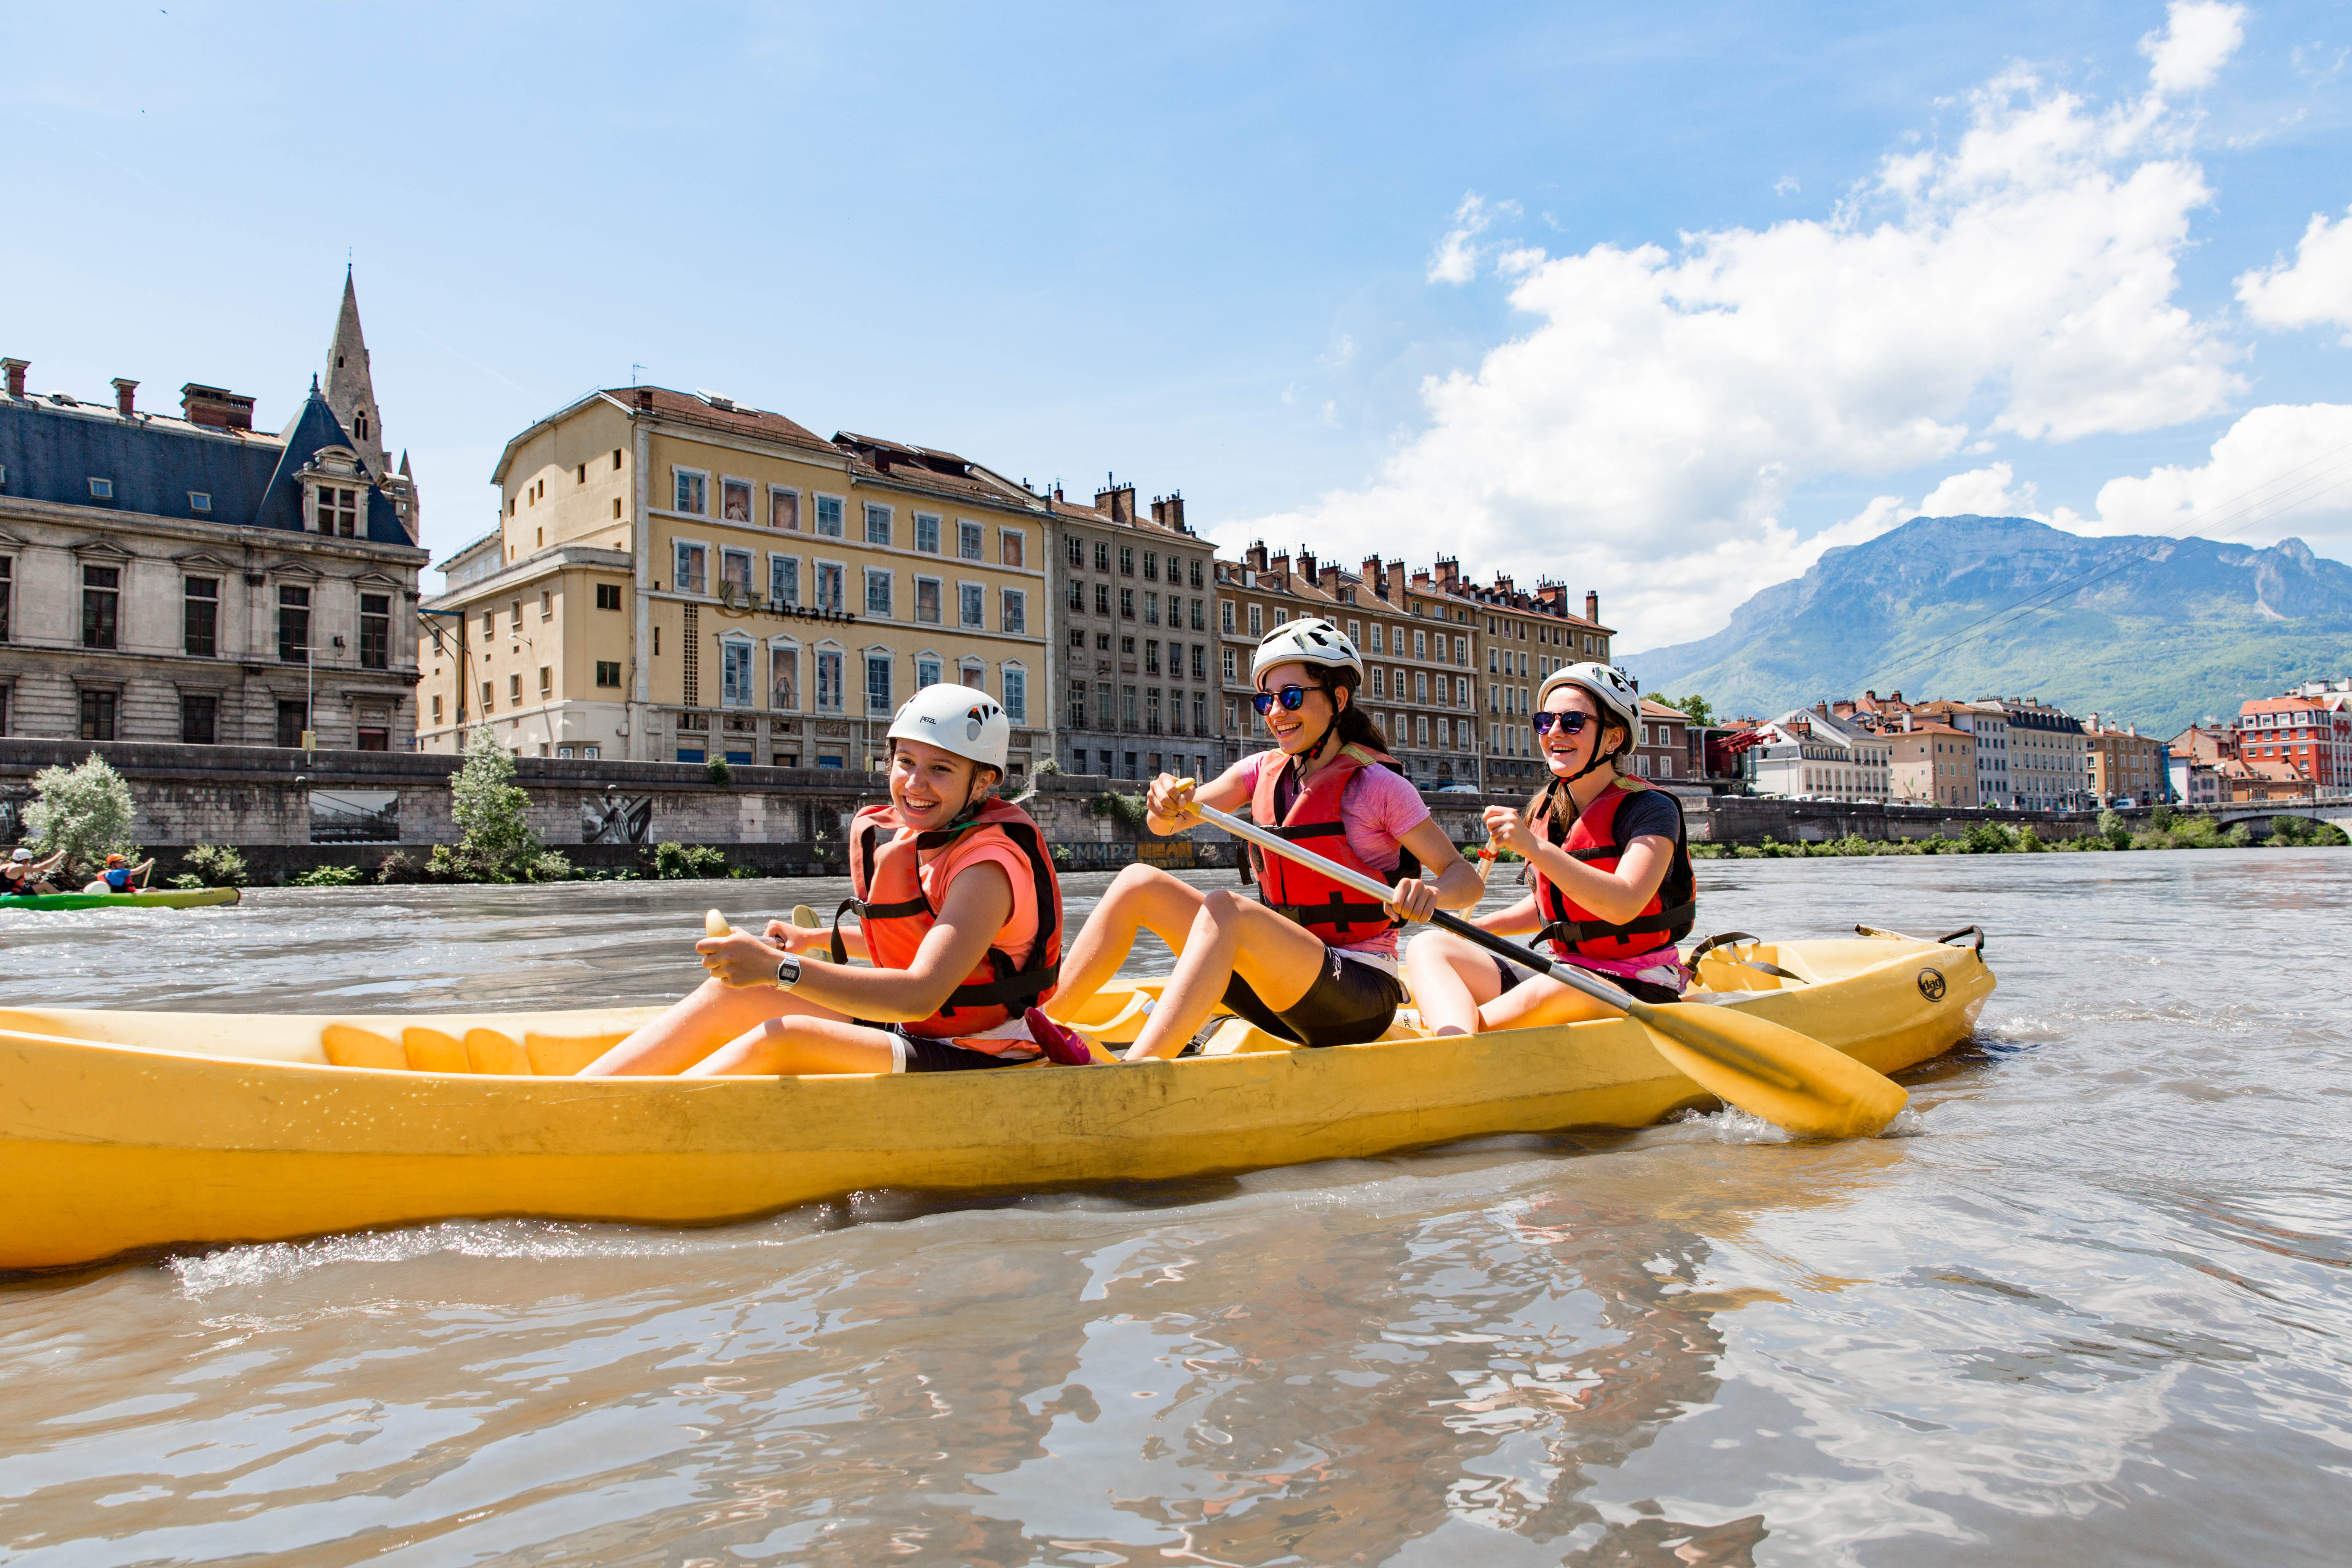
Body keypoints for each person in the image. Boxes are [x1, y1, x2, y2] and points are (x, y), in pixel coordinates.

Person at [579, 683, 1072, 1077]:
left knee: (786, 1034)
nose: (915, 784)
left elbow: (923, 991)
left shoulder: (986, 867)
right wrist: (810, 940)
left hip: (983, 1054)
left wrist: (779, 969)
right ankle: (586, 1097)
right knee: (736, 993)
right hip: (920, 1030)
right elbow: (924, 942)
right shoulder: (929, 836)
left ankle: (624, 1124)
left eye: (940, 769)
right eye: (905, 762)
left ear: (983, 782)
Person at [1048, 617, 1484, 1058]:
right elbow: (1167, 824)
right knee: (1138, 882)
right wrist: (1164, 803)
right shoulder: (1260, 771)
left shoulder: (1378, 786)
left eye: (1291, 696)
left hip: (1358, 995)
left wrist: (1428, 893)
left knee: (1227, 909)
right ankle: (1036, 1029)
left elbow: (1466, 879)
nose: (1276, 712)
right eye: (1266, 700)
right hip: (1281, 991)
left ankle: (1139, 1072)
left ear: (1338, 698)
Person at [1405, 663, 1696, 1035]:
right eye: (1545, 721)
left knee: (1563, 984)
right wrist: (1474, 929)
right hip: (1565, 972)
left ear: (1613, 739)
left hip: (1636, 985)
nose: (1554, 732)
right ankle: (1454, 1038)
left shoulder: (1652, 809)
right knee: (1430, 945)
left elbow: (1624, 904)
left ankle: (1450, 1042)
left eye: (1573, 721)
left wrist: (1535, 847)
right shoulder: (1548, 808)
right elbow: (1552, 902)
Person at [2, 847, 67, 898]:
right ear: (24, 861)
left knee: (41, 891)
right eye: (29, 861)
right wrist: (59, 855)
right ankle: (65, 902)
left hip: (5, 896)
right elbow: (44, 867)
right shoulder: (18, 867)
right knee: (44, 885)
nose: (29, 864)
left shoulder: (5, 866)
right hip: (11, 897)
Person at [82, 853, 154, 895]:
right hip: (124, 895)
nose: (123, 864)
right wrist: (149, 862)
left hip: (115, 894)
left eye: (123, 862)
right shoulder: (119, 872)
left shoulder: (106, 873)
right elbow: (138, 871)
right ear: (113, 864)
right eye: (120, 863)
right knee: (152, 889)